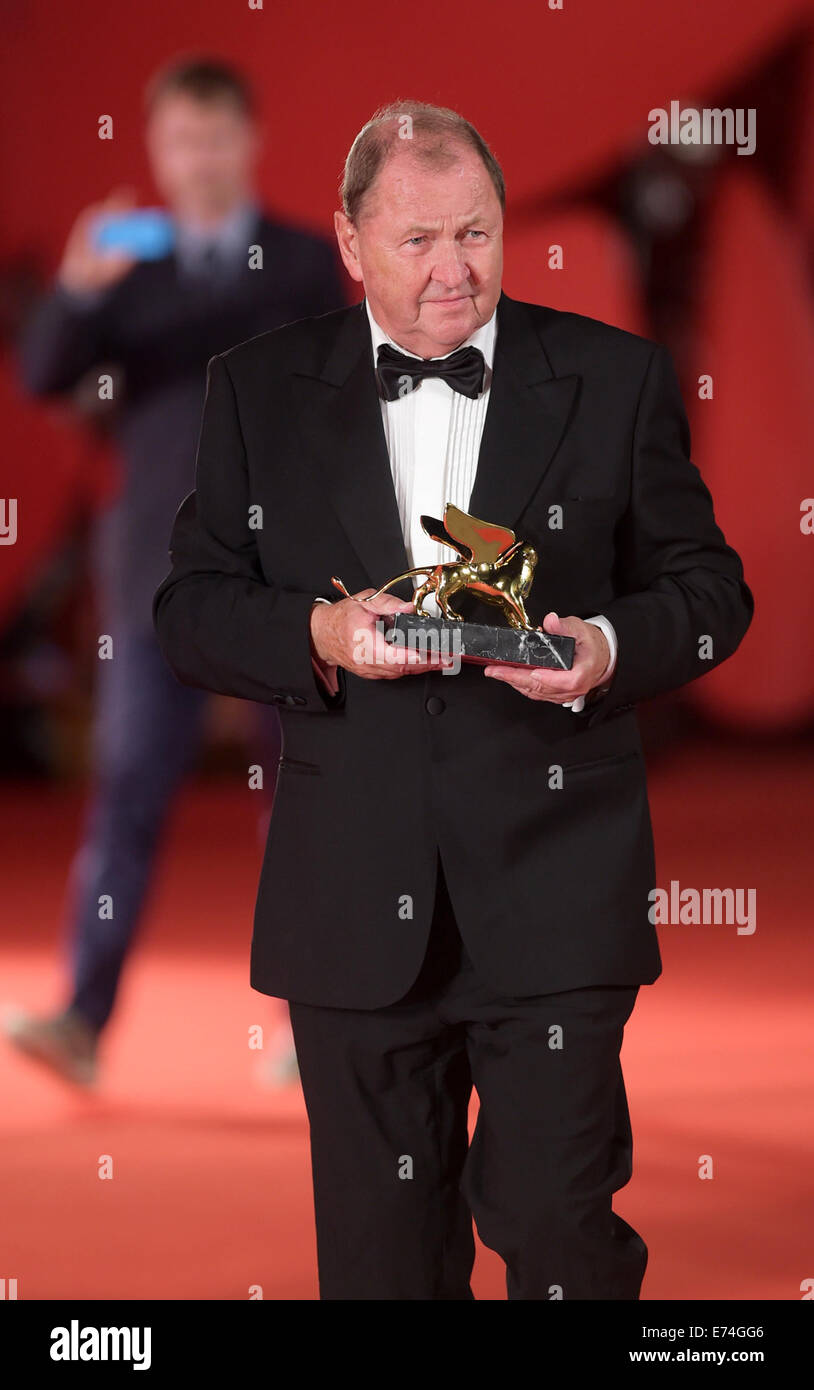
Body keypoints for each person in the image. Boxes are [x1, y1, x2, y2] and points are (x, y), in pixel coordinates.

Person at [152, 100, 753, 1299]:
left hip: (554, 891)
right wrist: (318, 630)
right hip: (348, 912)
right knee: (381, 1273)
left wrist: (603, 647)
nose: (454, 269)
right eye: (419, 240)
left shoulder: (613, 376)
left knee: (561, 1238)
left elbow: (711, 592)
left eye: (476, 233)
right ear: (348, 239)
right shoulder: (257, 391)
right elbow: (189, 610)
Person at [4, 57, 346, 1086]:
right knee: (128, 788)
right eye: (180, 142)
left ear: (249, 140)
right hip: (155, 572)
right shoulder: (123, 265)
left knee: (308, 793)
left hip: (282, 573)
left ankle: (319, 1016)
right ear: (157, 152)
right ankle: (84, 1016)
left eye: (215, 137)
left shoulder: (295, 260)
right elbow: (42, 372)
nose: (199, 160)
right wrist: (73, 290)